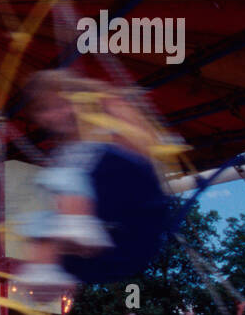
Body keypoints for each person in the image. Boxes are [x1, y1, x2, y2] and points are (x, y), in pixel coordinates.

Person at [15, 70, 163, 292]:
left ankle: (77, 227)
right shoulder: (67, 154)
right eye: (44, 109)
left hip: (139, 198)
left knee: (66, 169)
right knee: (41, 219)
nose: (54, 115)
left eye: (61, 104)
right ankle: (44, 269)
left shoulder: (103, 130)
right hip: (112, 238)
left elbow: (142, 147)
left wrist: (105, 99)